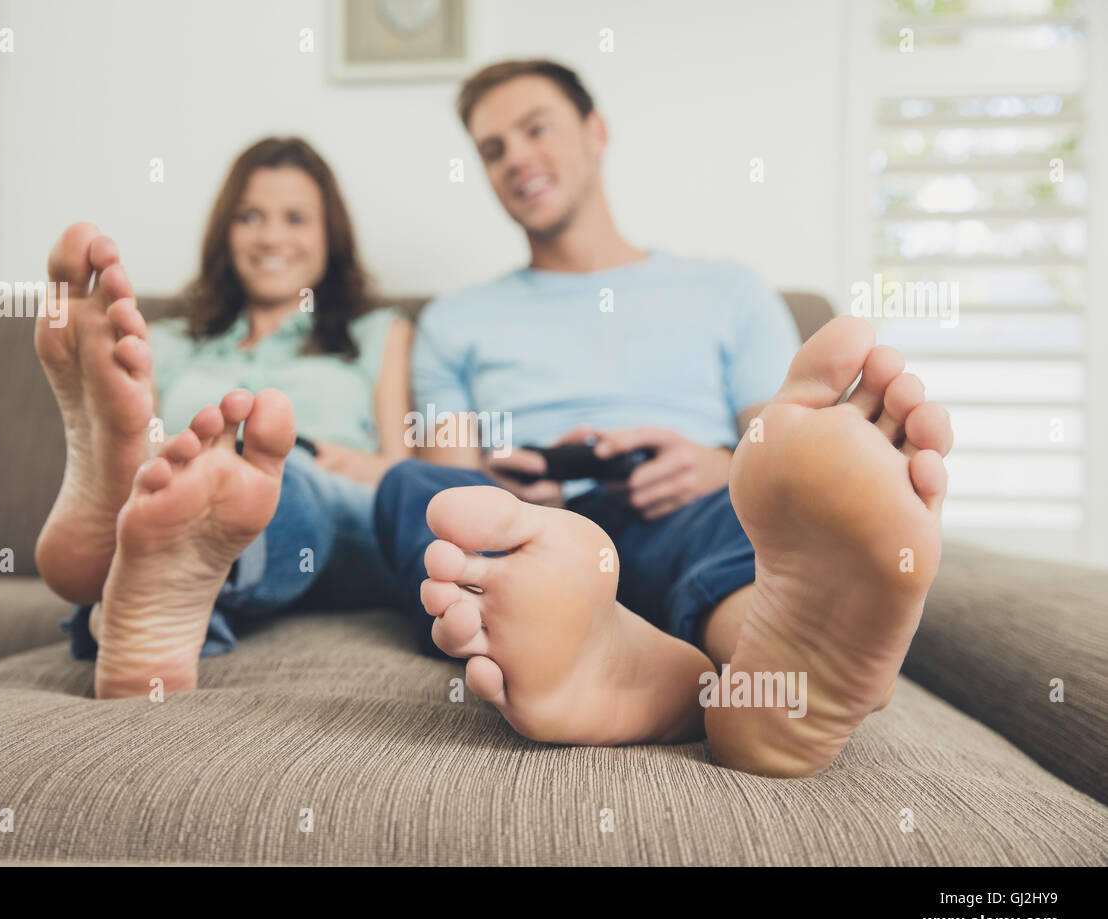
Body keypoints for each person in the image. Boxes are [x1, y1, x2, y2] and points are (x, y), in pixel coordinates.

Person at [371, 60, 955, 777]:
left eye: (535, 129)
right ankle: (649, 664)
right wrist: (505, 477)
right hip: (534, 531)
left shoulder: (728, 290)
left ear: (595, 131)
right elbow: (450, 464)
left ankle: (766, 678)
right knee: (410, 492)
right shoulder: (455, 318)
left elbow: (774, 437)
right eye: (492, 149)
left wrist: (714, 463)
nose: (516, 157)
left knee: (740, 513)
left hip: (685, 506)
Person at [32, 137, 412, 698]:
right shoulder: (166, 341)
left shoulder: (377, 334)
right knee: (172, 482)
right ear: (226, 232)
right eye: (250, 216)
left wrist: (356, 464)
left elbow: (403, 474)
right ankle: (147, 569)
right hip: (187, 483)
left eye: (296, 218)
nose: (271, 236)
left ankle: (135, 578)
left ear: (330, 233)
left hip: (333, 499)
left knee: (277, 478)